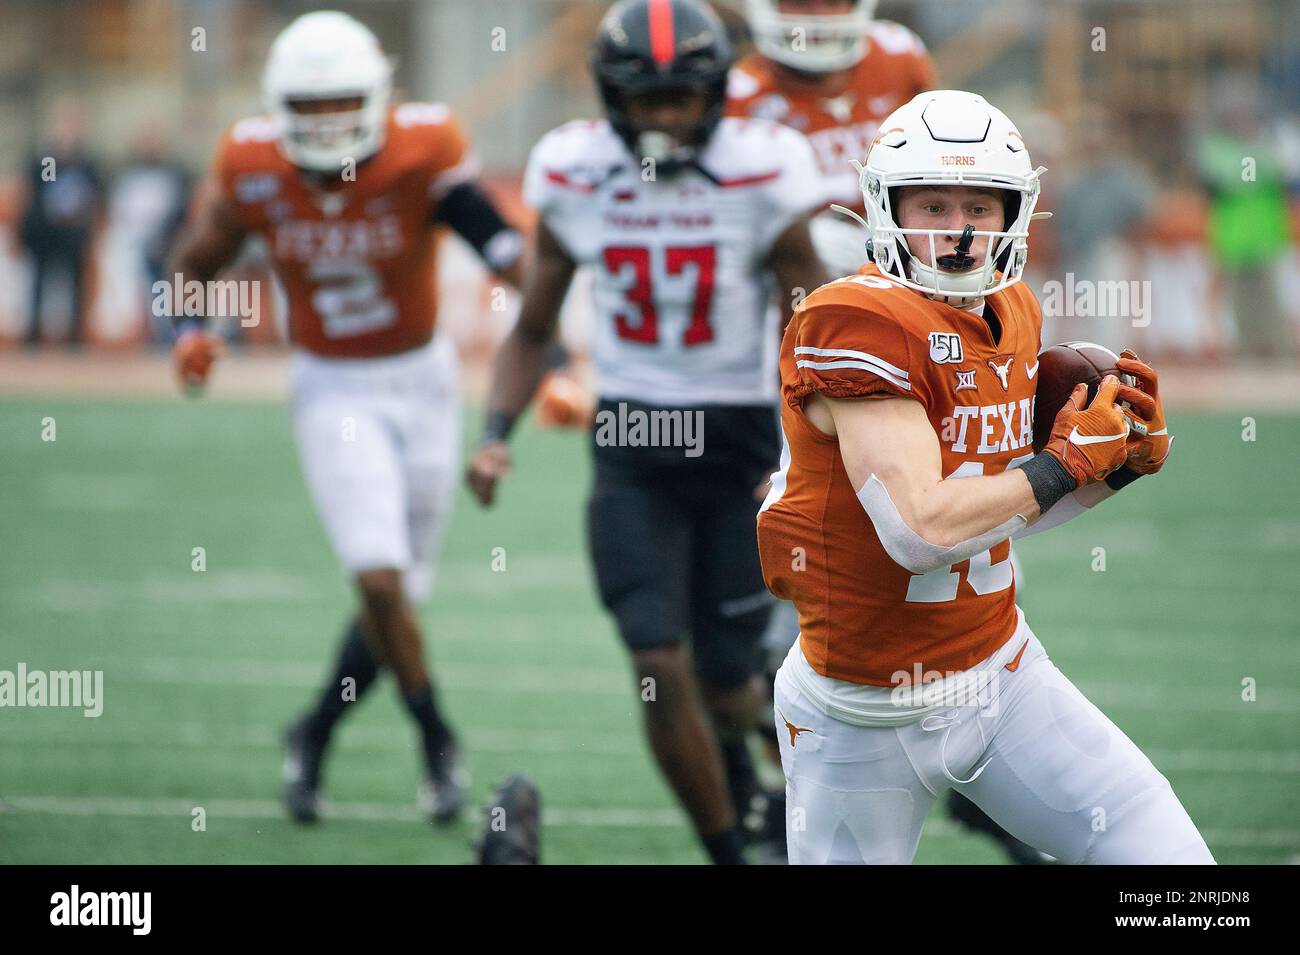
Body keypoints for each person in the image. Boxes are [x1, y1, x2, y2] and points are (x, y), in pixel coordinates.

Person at [757, 89, 1213, 864]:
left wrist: (1116, 466)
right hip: (857, 717)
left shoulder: (1015, 309)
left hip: (1001, 676)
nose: (961, 229)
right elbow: (919, 530)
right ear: (884, 206)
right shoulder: (853, 320)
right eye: (933, 204)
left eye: (979, 203)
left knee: (1171, 869)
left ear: (1016, 212)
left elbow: (1000, 510)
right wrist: (1065, 461)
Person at [466, 0, 828, 864]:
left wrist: (810, 449)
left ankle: (810, 796)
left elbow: (815, 319)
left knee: (733, 684)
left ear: (715, 94)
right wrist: (494, 429)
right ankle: (732, 851)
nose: (665, 118)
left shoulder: (763, 166)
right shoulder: (574, 169)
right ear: (610, 97)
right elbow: (532, 324)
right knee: (656, 659)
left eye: (681, 98)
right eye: (647, 100)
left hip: (740, 438)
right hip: (631, 440)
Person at [166, 11, 524, 825]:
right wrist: (194, 325)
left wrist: (535, 290)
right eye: (310, 105)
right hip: (334, 384)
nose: (327, 122)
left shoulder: (422, 147)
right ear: (280, 106)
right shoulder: (254, 162)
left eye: (341, 103)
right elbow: (194, 264)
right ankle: (436, 734)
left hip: (425, 381)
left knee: (396, 596)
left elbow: (498, 241)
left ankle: (314, 729)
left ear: (375, 96)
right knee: (378, 573)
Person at [729, 0, 935, 275]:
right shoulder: (741, 97)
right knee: (820, 242)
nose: (819, 18)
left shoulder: (897, 55)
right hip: (803, 253)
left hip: (904, 230)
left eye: (833, 2)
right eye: (800, 4)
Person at [19, 102, 103, 347]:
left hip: (73, 233)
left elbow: (92, 197)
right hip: (47, 233)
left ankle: (75, 336)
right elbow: (43, 193)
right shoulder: (47, 159)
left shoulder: (87, 162)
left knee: (76, 285)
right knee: (39, 282)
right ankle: (33, 335)